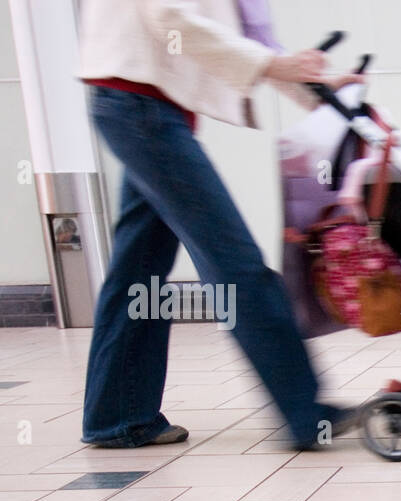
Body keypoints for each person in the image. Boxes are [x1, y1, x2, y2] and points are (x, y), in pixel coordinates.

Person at [77, 0, 357, 449]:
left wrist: (315, 88)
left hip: (144, 110)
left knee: (138, 272)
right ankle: (305, 413)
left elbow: (248, 33)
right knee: (234, 262)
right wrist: (280, 66)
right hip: (141, 111)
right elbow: (169, 17)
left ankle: (118, 415)